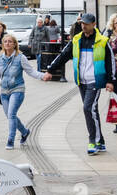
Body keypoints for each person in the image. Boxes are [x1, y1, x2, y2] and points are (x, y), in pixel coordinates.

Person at [46, 12, 112, 155]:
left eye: (86, 24)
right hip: (81, 81)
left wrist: (110, 81)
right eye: (82, 23)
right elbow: (63, 55)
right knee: (92, 110)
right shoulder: (76, 40)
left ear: (94, 24)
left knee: (88, 108)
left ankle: (93, 141)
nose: (83, 26)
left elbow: (109, 61)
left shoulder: (102, 40)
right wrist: (50, 69)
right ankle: (101, 142)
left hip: (95, 80)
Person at [0, 33, 52, 149]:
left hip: (17, 90)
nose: (7, 43)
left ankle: (10, 140)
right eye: (5, 41)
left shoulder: (20, 58)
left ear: (14, 44)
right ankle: (25, 132)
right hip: (4, 92)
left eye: (10, 41)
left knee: (11, 114)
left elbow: (31, 71)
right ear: (3, 44)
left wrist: (42, 76)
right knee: (10, 116)